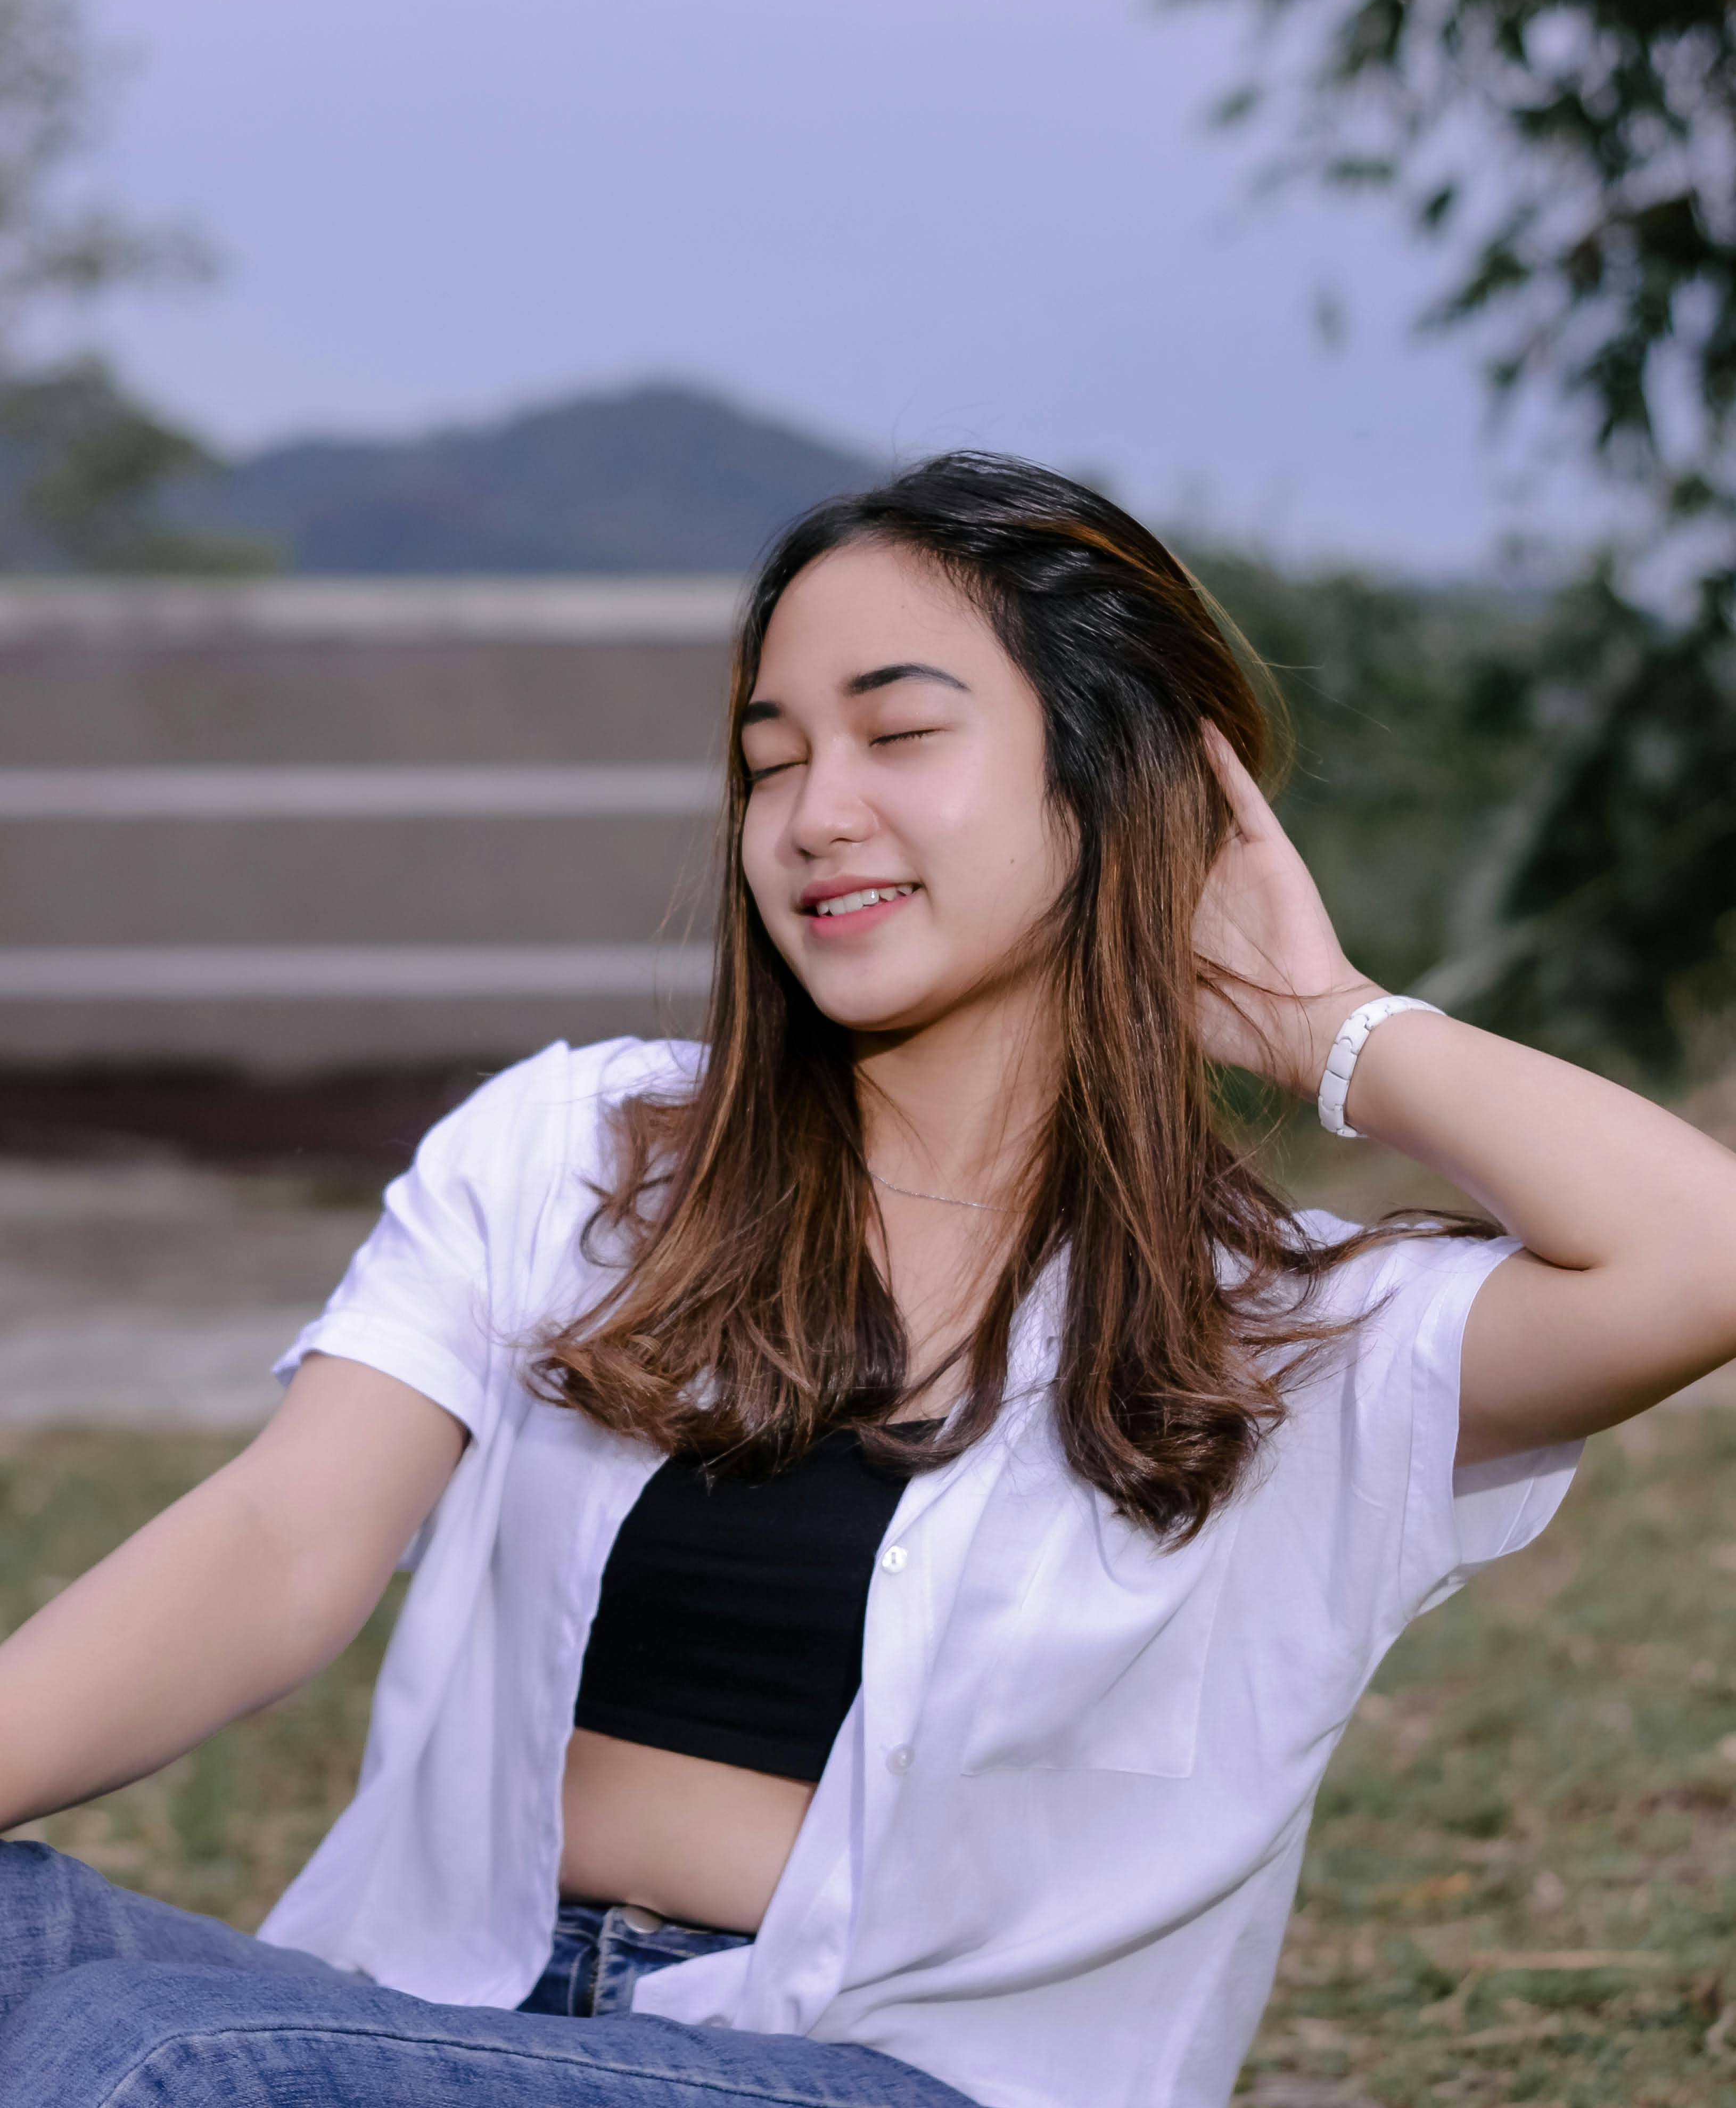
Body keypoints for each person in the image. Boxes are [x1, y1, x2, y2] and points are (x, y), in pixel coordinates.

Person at [2, 457, 1734, 2108]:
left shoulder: (1280, 1334)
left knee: (159, 2061)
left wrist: (1316, 1021)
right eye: (772, 762)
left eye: (899, 735)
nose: (817, 816)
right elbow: (278, 1545)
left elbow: (1701, 1259)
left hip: (891, 2080)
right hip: (426, 2020)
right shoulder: (572, 1153)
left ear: (1113, 782)